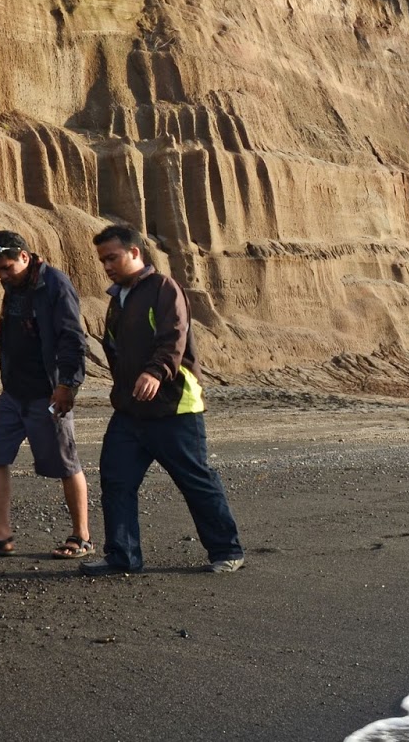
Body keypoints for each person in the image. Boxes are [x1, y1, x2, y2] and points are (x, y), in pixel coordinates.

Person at [80, 225, 245, 576]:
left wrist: (155, 373)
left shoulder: (164, 288)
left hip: (174, 407)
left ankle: (227, 551)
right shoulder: (117, 299)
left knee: (195, 480)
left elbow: (174, 338)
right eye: (102, 260)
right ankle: (122, 557)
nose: (106, 265)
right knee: (116, 480)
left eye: (112, 257)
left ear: (135, 253)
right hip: (130, 410)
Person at [0, 230, 92, 559]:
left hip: (46, 392)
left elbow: (72, 338)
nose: (2, 275)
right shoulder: (16, 285)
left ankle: (82, 537)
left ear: (25, 257)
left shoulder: (55, 285)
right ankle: (1, 536)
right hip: (13, 392)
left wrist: (67, 386)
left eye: (7, 267)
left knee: (64, 462)